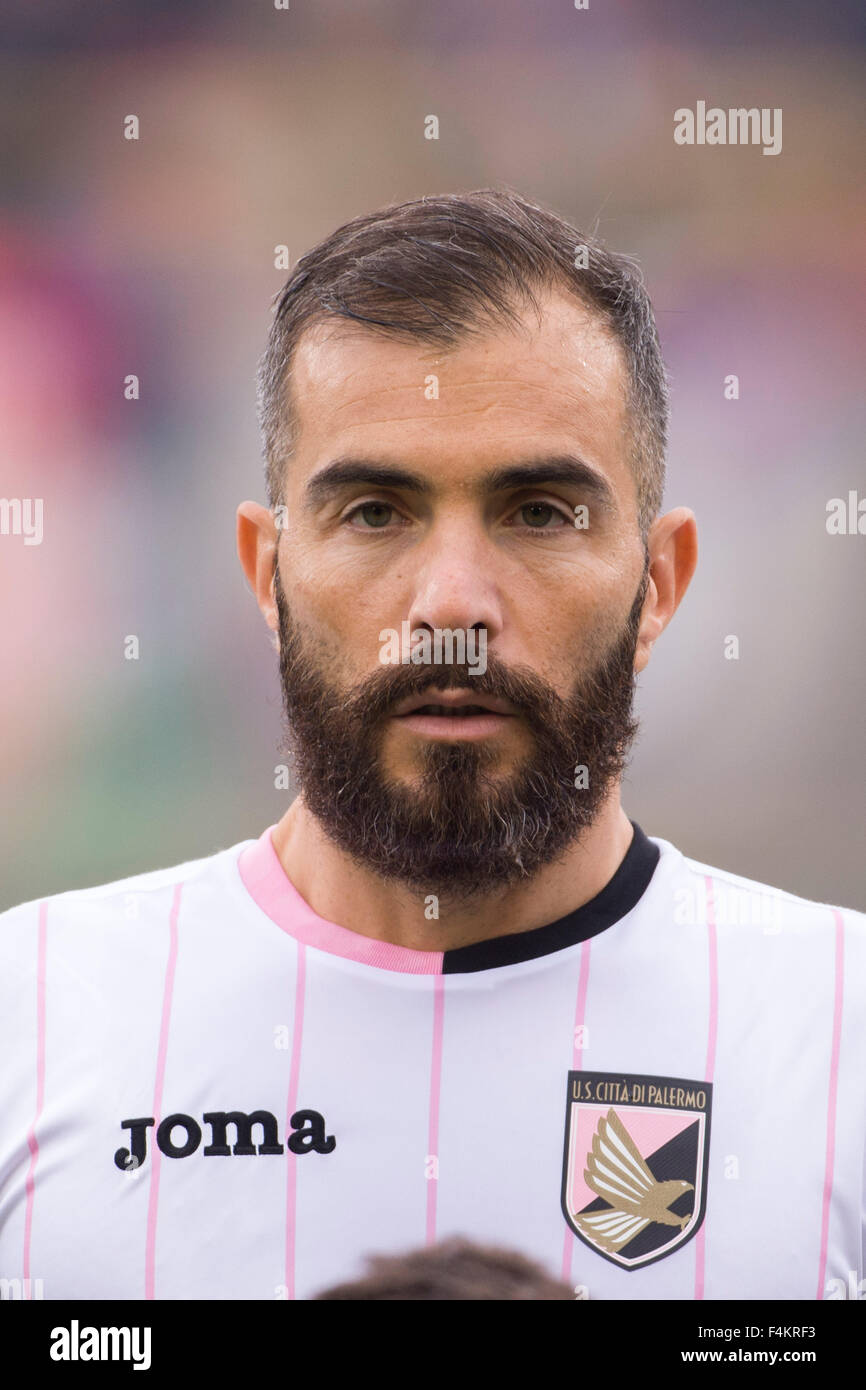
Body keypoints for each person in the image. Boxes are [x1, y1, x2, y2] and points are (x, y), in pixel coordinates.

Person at [1, 189, 862, 1302]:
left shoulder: (839, 1032)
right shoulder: (29, 1017)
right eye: (373, 511)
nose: (452, 603)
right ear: (265, 573)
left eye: (538, 511)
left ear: (659, 583)